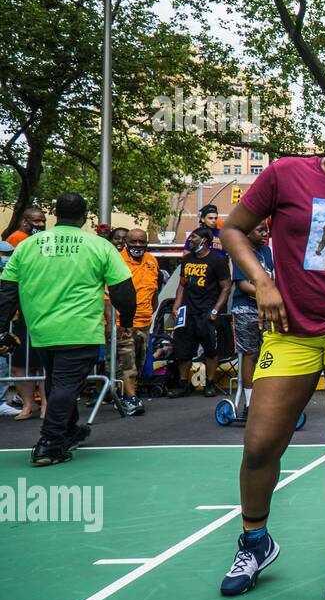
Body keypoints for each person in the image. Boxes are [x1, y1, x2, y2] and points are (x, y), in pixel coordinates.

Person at [216, 87, 325, 600]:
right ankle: (254, 540)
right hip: (289, 329)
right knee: (260, 444)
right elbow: (233, 230)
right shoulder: (285, 173)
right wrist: (263, 281)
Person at [0, 192, 137, 466]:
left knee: (57, 381)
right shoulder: (98, 245)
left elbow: (7, 290)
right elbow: (123, 291)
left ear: (55, 215)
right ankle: (49, 442)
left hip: (41, 331)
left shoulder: (28, 246)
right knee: (65, 384)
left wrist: (2, 328)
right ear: (84, 216)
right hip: (80, 328)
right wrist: (127, 321)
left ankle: (69, 431)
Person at [167, 226, 231, 398]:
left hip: (207, 311)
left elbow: (226, 287)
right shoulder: (187, 260)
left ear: (204, 240)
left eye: (194, 237)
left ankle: (209, 384)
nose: (191, 240)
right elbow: (182, 284)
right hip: (187, 311)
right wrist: (177, 305)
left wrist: (216, 310)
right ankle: (183, 385)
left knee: (211, 349)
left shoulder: (217, 261)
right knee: (183, 349)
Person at [4, 205, 46, 418]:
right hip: (21, 313)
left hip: (44, 311)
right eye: (35, 221)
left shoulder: (47, 241)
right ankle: (28, 405)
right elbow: (11, 280)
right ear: (24, 222)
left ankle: (45, 405)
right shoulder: (17, 239)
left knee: (43, 364)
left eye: (42, 220)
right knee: (20, 363)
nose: (40, 225)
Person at [114, 228, 160, 416]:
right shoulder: (116, 260)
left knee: (139, 362)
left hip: (144, 321)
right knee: (127, 362)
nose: (138, 246)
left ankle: (127, 393)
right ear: (126, 242)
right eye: (134, 242)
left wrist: (151, 312)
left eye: (142, 242)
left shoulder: (151, 260)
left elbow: (154, 290)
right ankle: (131, 399)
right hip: (122, 322)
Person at [228, 220, 274, 413]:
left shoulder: (267, 252)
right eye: (260, 230)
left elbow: (272, 277)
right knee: (251, 354)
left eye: (266, 230)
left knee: (270, 353)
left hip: (268, 309)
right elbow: (242, 284)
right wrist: (265, 293)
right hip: (246, 309)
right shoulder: (242, 253)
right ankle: (249, 403)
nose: (265, 234)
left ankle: (270, 399)